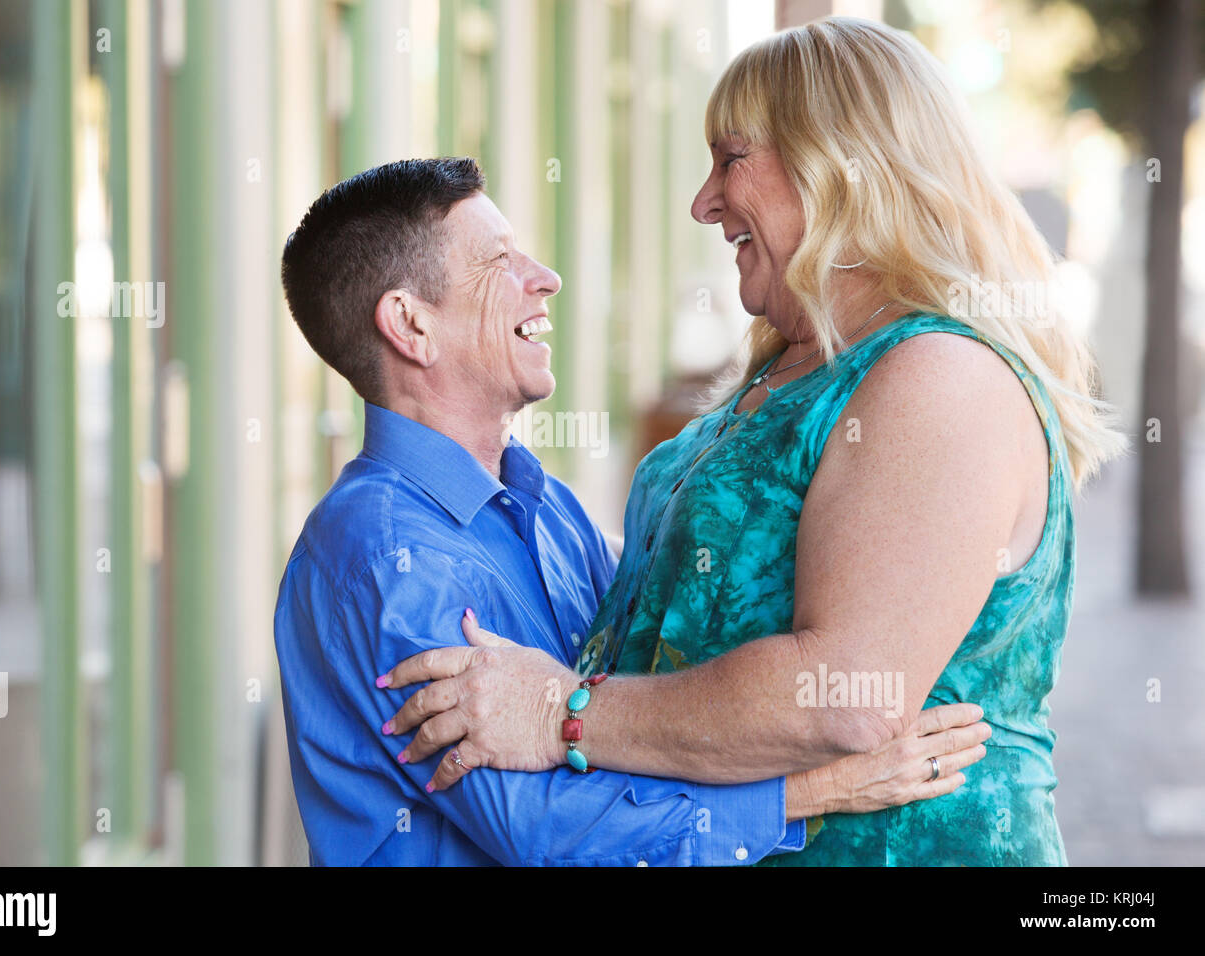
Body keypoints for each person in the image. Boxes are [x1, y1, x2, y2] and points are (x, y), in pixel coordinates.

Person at [381, 18, 1128, 866]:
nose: (704, 202)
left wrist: (561, 712)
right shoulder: (799, 368)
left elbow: (848, 695)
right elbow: (713, 577)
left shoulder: (940, 375)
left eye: (731, 158)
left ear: (844, 164)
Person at [274, 156, 989, 866]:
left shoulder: (546, 507)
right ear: (410, 325)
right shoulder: (384, 554)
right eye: (498, 261)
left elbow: (641, 688)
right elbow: (541, 826)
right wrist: (814, 788)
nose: (544, 277)